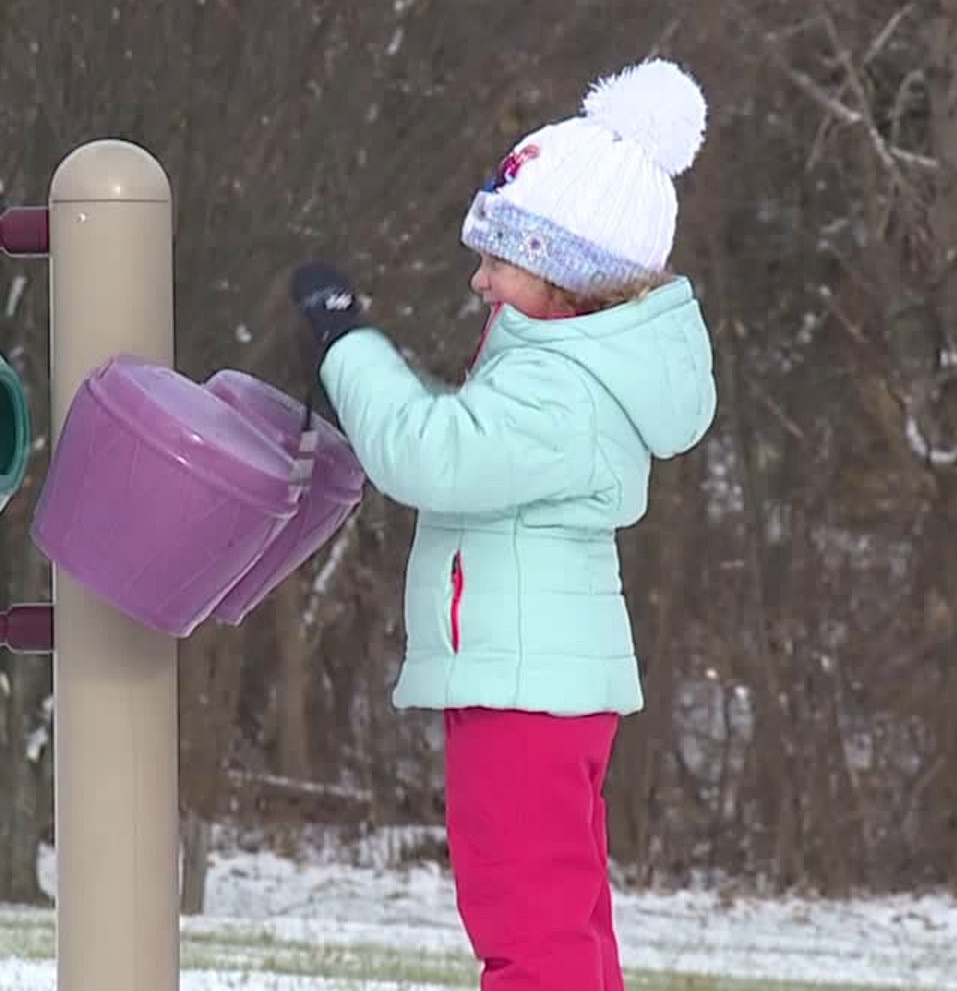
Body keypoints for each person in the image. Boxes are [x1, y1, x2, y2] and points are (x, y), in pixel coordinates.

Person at [286, 56, 718, 991]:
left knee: (527, 927)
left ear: (567, 277)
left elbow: (428, 452)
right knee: (566, 920)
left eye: (498, 260)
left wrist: (345, 339)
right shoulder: (570, 371)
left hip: (525, 692)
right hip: (548, 686)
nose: (478, 281)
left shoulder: (557, 389)